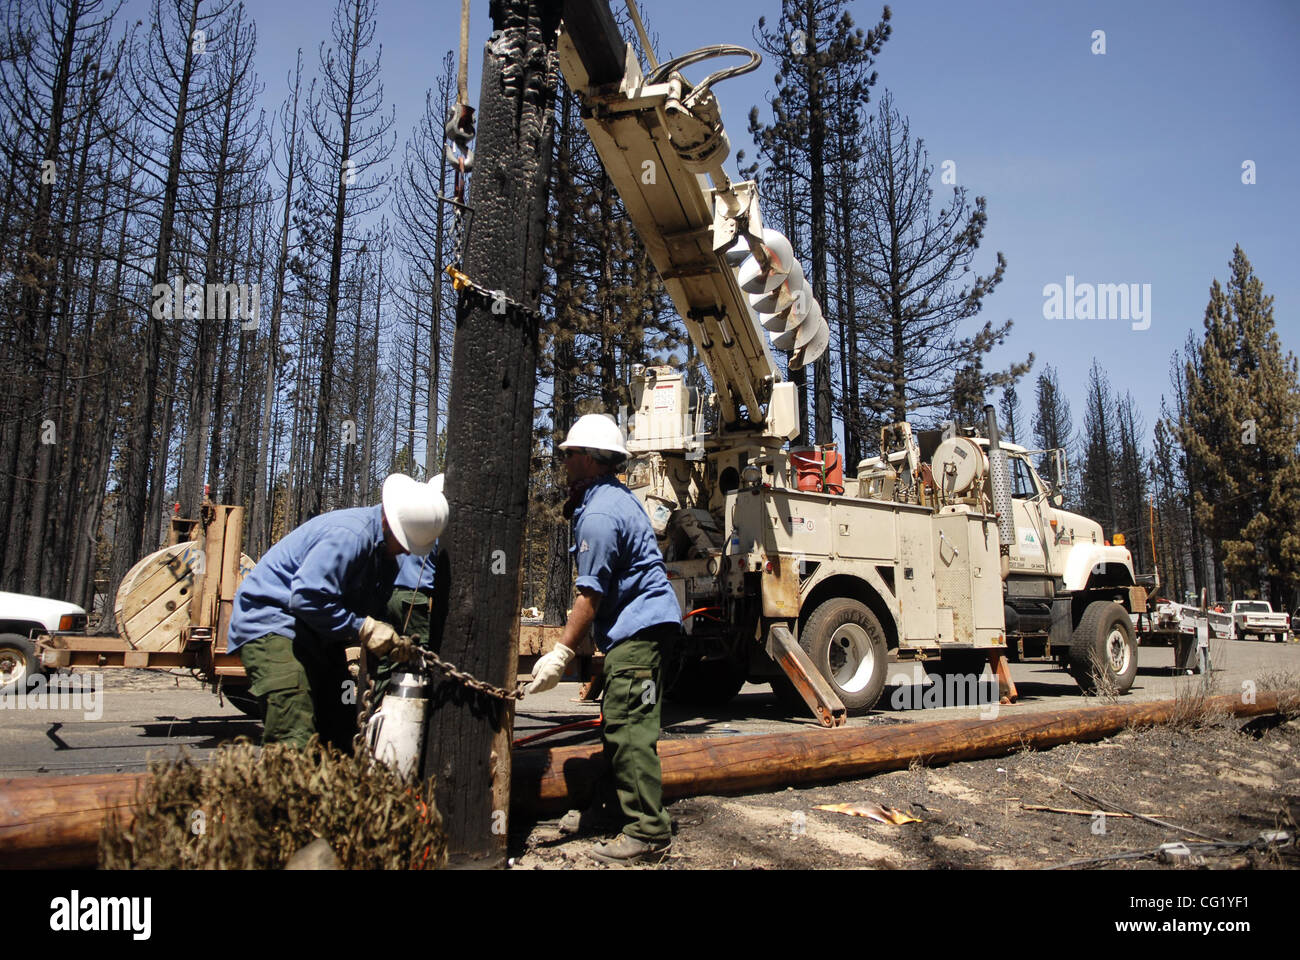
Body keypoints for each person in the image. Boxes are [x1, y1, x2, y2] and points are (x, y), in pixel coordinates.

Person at [528, 414, 681, 863]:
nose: (564, 460)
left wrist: (559, 652)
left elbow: (589, 596)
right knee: (618, 726)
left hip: (641, 633)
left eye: (570, 453)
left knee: (630, 730)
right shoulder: (615, 497)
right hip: (644, 631)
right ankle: (612, 808)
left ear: (590, 460)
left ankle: (648, 832)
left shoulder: (598, 512)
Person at [228, 474, 448, 749]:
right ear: (388, 525)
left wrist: (390, 640)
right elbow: (306, 598)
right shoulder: (349, 536)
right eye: (405, 543)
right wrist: (364, 628)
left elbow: (367, 609)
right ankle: (286, 789)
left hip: (315, 632)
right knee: (294, 734)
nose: (406, 551)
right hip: (272, 622)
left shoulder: (386, 560)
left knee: (339, 732)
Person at [373, 475, 444, 700]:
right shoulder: (434, 529)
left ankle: (375, 708)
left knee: (387, 655)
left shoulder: (407, 522)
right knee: (418, 658)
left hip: (391, 595)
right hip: (416, 598)